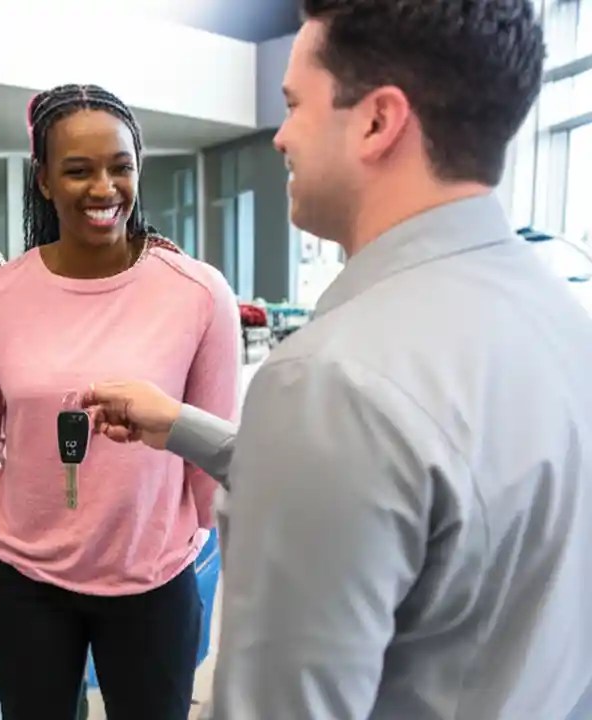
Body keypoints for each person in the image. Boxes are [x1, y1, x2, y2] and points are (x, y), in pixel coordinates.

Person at [82, 1, 592, 718]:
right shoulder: (561, 320)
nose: (282, 136)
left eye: (294, 105)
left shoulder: (331, 379)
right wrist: (184, 428)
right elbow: (416, 496)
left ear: (379, 121)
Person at [0, 83, 240, 720]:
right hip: (28, 583)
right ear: (44, 180)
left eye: (120, 167)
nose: (103, 188)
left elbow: (213, 443)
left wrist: (193, 543)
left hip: (154, 578)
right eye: (78, 170)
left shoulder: (197, 292)